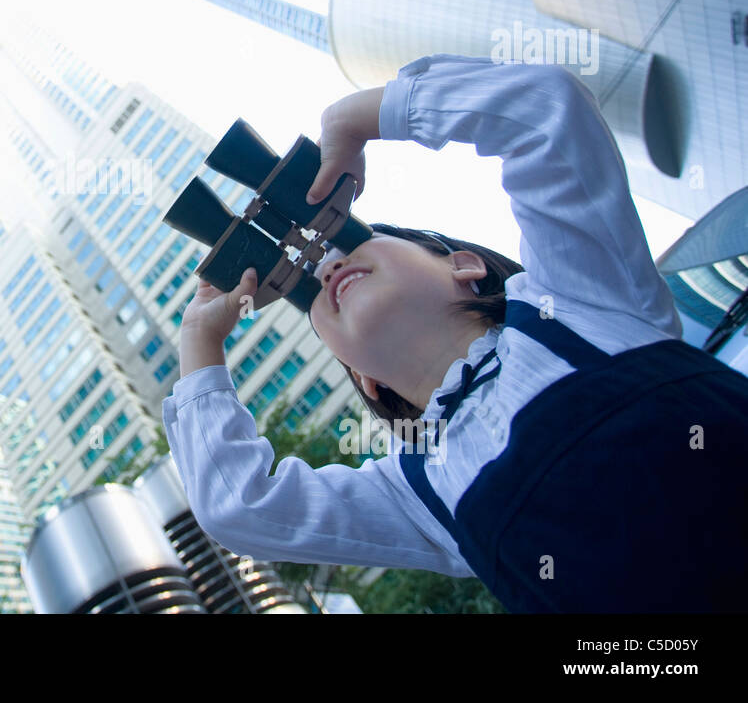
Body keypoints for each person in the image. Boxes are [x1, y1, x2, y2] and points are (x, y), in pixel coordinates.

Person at [164, 53, 748, 612]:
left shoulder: (575, 301)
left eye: (353, 244)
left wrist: (356, 119)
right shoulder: (416, 491)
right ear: (365, 380)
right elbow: (240, 508)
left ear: (464, 264)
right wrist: (200, 341)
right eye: (314, 292)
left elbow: (547, 113)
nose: (328, 267)